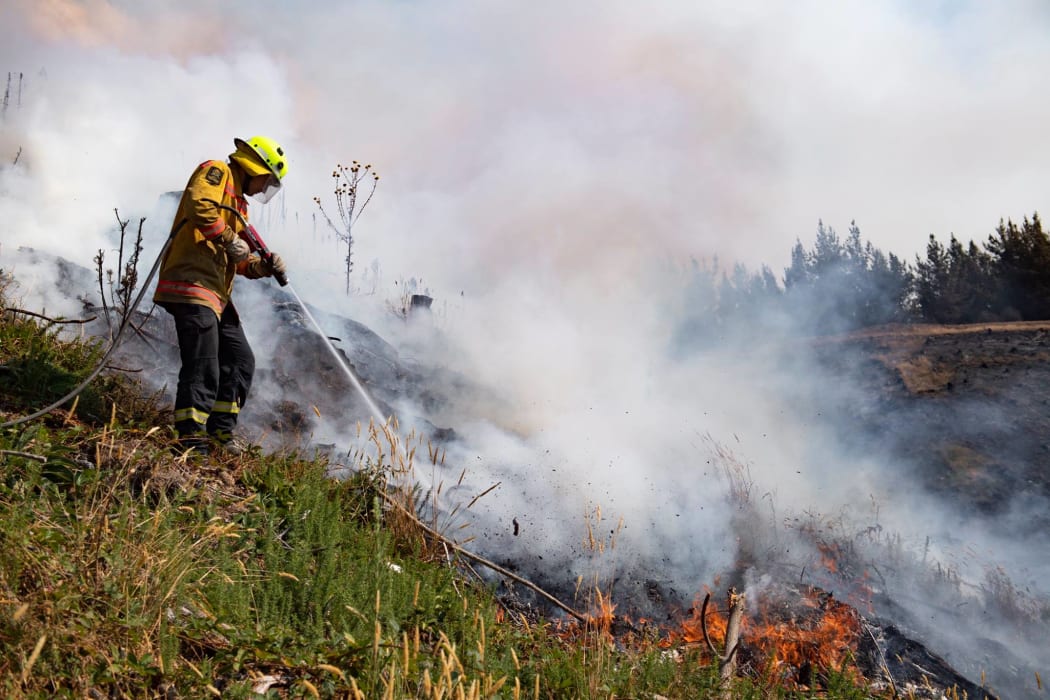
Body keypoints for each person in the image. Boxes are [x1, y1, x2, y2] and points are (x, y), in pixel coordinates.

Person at [153, 136, 288, 455]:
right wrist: (228, 237)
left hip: (215, 294)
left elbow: (238, 261)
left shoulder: (239, 205)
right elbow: (199, 204)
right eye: (266, 180)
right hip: (191, 283)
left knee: (241, 361)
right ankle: (189, 437)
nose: (263, 188)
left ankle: (220, 435)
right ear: (256, 168)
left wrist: (263, 267)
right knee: (204, 363)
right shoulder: (216, 172)